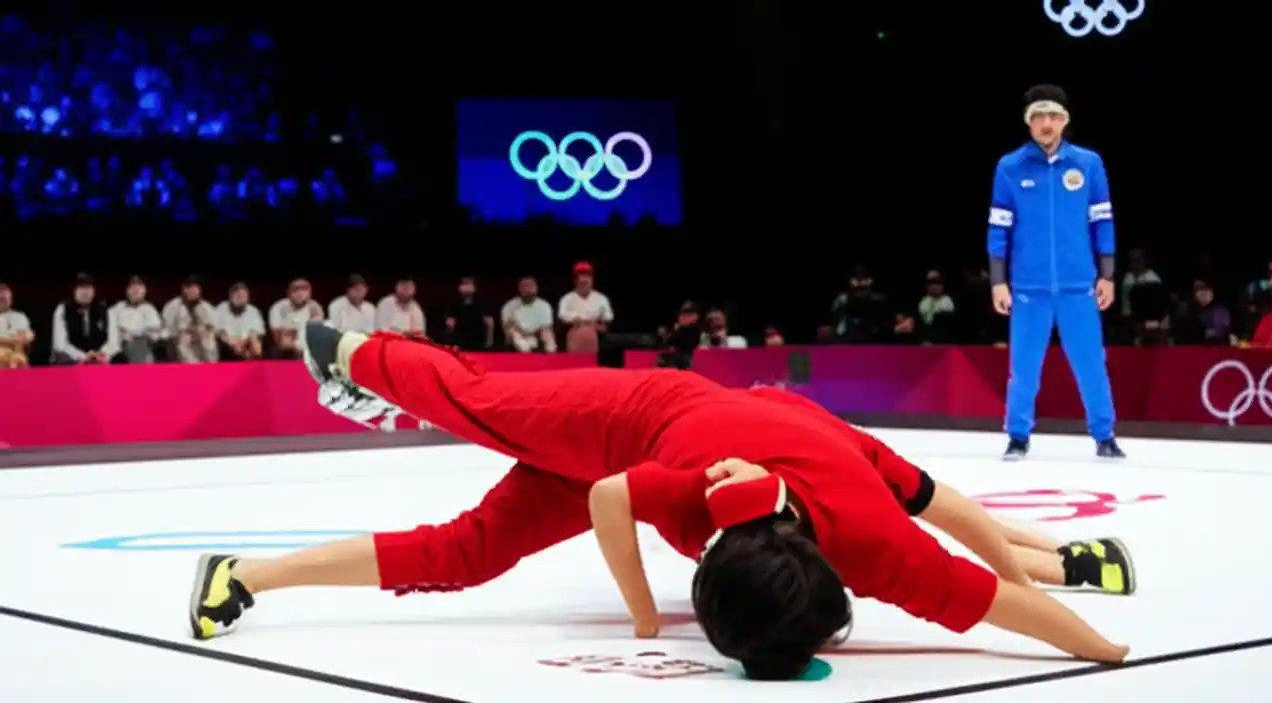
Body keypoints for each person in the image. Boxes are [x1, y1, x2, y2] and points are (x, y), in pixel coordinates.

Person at [188, 324, 1132, 679]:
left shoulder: (882, 540)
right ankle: (350, 350)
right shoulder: (694, 501)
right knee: (479, 405)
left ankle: (246, 575)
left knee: (467, 552)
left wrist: (1104, 648)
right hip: (633, 417)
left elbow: (968, 540)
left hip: (788, 433)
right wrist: (646, 613)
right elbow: (608, 498)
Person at [987, 84, 1125, 460]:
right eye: (1038, 117)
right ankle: (1017, 436)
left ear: (1065, 120)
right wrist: (999, 281)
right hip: (1029, 288)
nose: (1046, 124)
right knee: (1024, 369)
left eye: (1053, 116)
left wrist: (1107, 274)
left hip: (1079, 285)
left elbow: (1103, 220)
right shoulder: (1010, 167)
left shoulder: (1088, 163)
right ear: (1028, 123)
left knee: (1091, 365)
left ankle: (1104, 435)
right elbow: (999, 227)